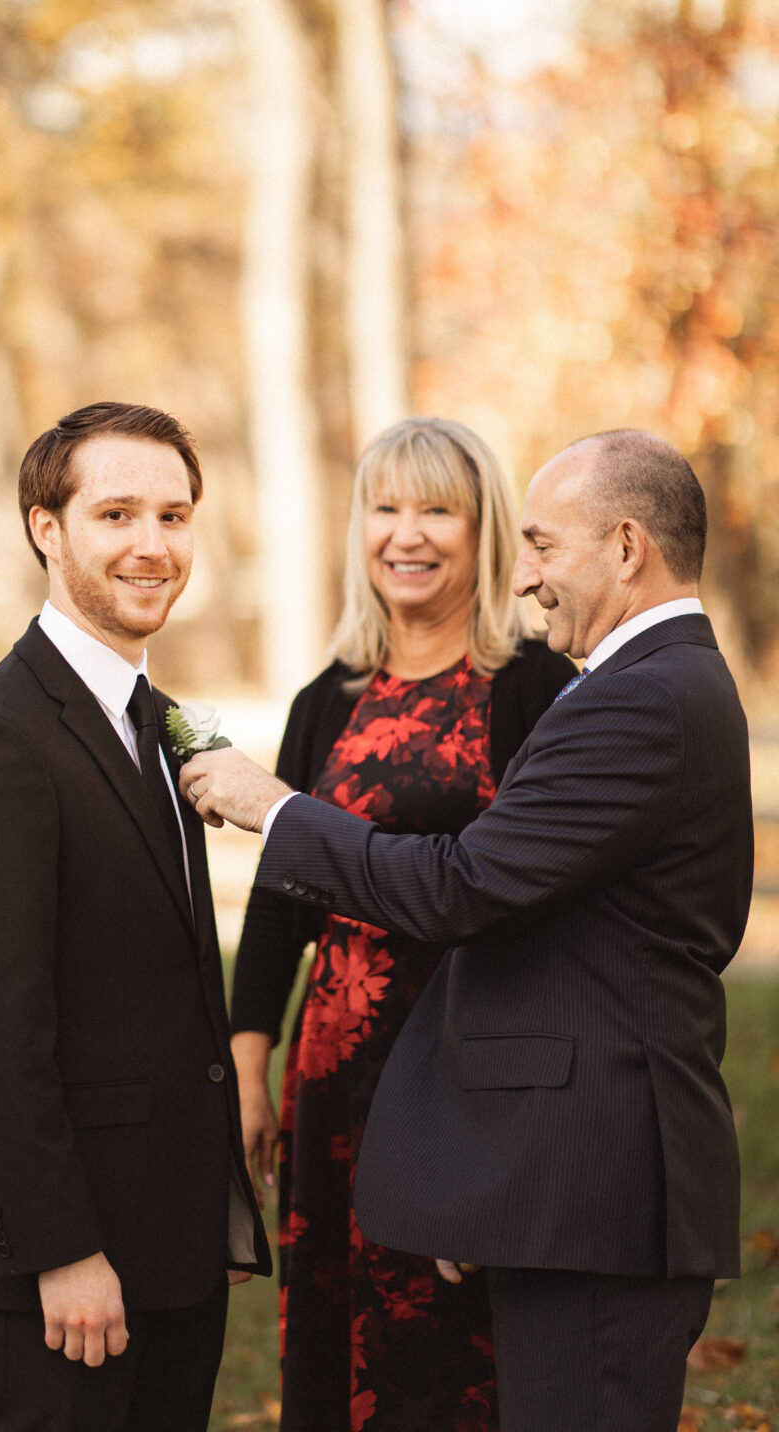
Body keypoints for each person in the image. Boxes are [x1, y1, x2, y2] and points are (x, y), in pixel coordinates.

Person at [180, 430, 753, 1432]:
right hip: (547, 1165)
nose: (523, 576)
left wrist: (275, 809)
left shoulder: (634, 700)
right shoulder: (645, 686)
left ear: (626, 548)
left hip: (592, 1184)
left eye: (541, 545)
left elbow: (465, 888)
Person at [0, 402, 270, 1432]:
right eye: (116, 515)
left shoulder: (160, 721)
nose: (152, 546)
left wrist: (209, 1207)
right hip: (64, 1262)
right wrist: (62, 1249)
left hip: (172, 1242)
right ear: (47, 528)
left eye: (173, 516)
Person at [229, 418, 574, 1431]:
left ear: (484, 530)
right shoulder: (326, 699)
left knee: (447, 1348)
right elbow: (279, 899)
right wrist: (248, 1069)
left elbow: (550, 900)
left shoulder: (533, 688)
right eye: (385, 507)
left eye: (437, 510)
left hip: (467, 1067)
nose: (406, 533)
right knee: (334, 1336)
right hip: (332, 1077)